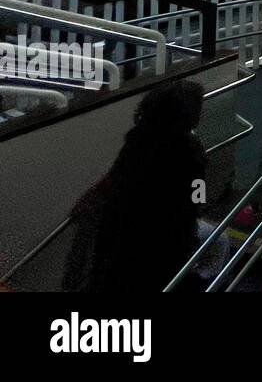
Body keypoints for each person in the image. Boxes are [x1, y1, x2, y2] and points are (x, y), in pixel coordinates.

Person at [81, 79, 208, 292]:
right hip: (167, 240)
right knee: (219, 240)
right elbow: (197, 198)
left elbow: (116, 177)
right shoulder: (191, 153)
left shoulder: (137, 139)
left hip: (123, 233)